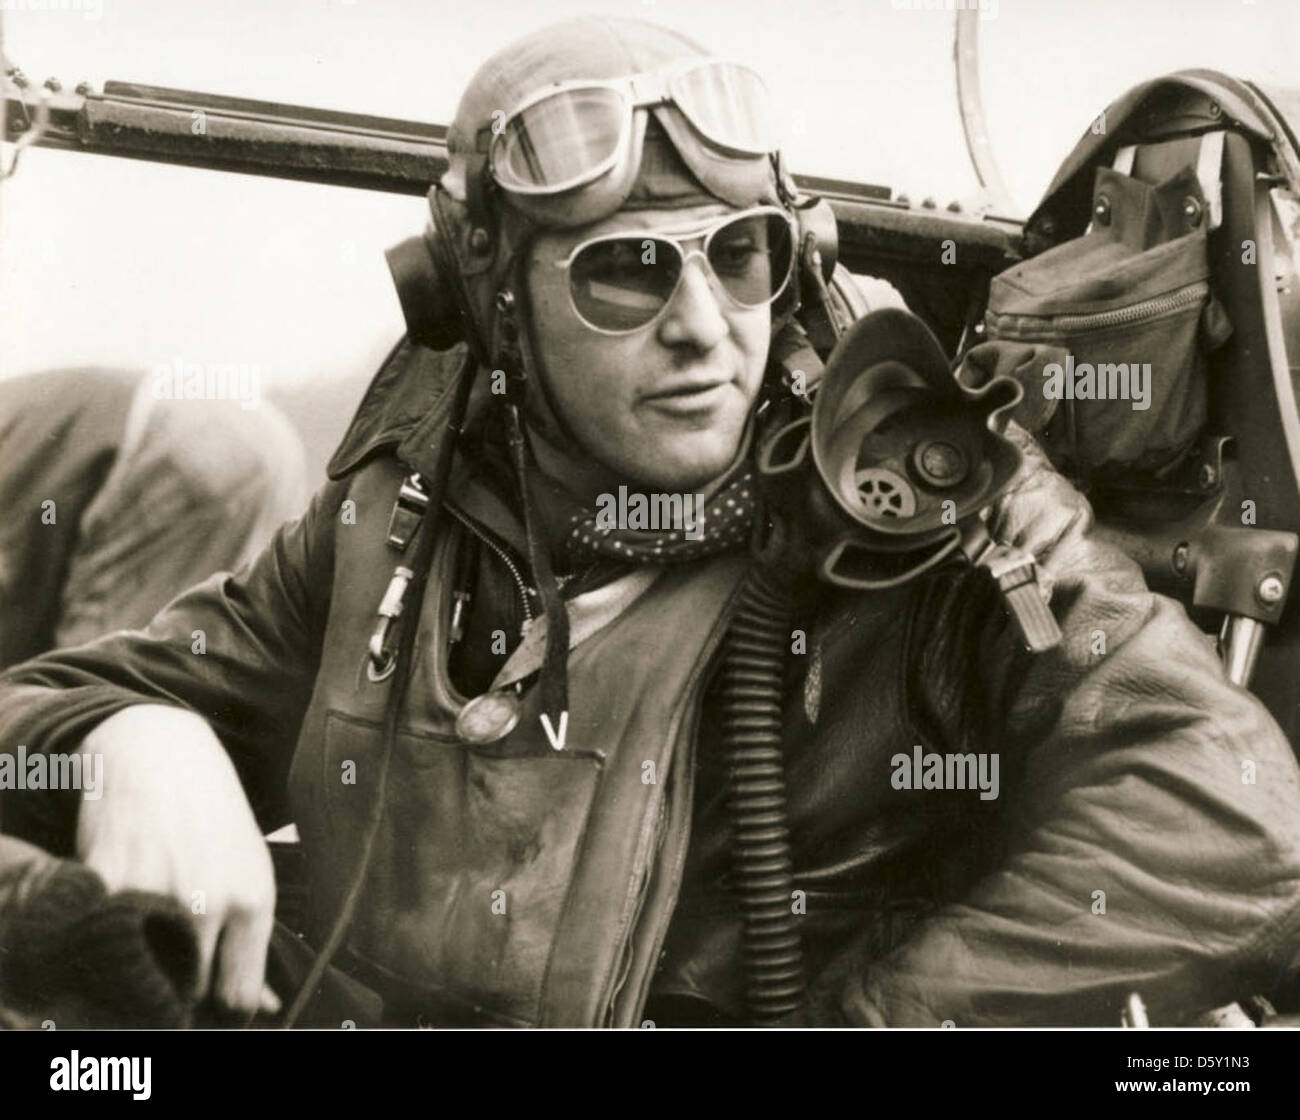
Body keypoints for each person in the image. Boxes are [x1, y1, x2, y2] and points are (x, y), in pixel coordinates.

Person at [3, 15, 1300, 1029]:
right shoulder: (391, 521)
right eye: (624, 268)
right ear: (491, 302)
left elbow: (1233, 824)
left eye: (738, 254)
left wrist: (880, 1022)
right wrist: (128, 737)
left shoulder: (938, 513)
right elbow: (32, 725)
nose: (701, 326)